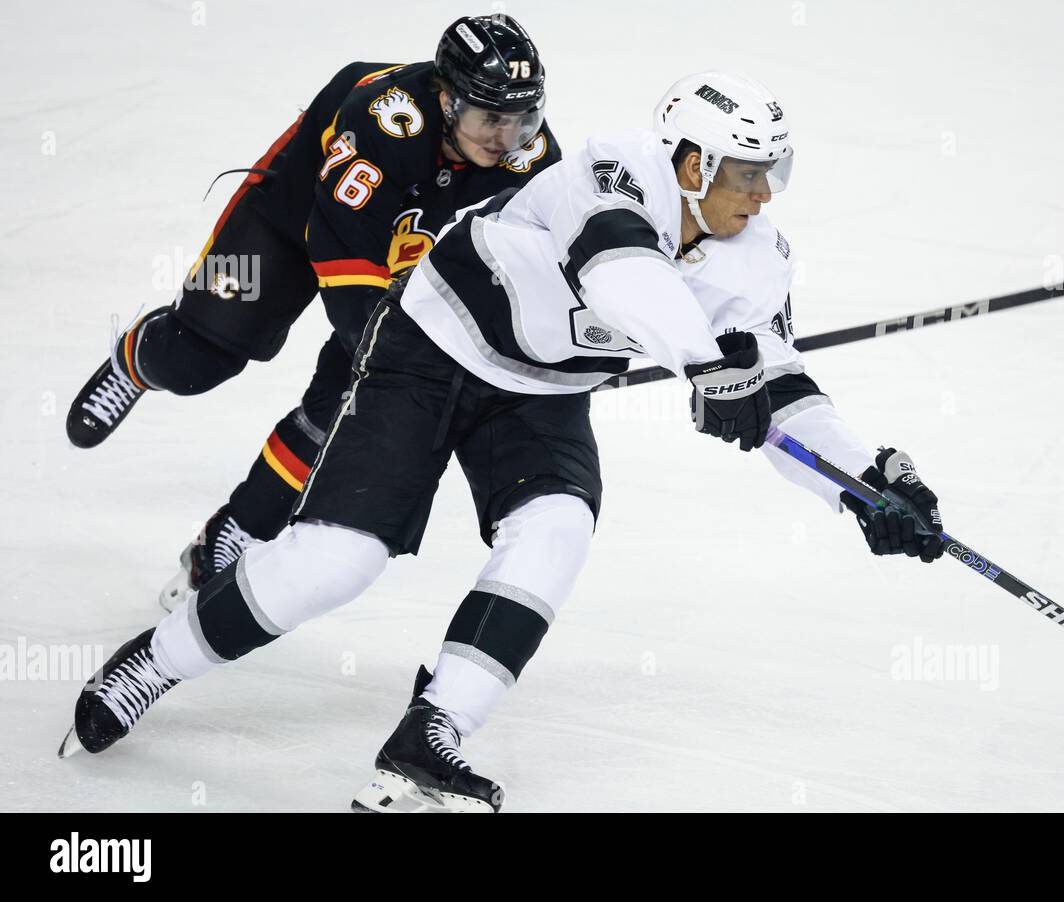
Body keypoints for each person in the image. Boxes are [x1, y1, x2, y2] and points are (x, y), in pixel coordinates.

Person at [60, 73, 944, 813]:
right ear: (690, 161)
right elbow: (621, 270)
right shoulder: (611, 166)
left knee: (558, 529)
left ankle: (431, 729)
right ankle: (154, 662)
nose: (764, 196)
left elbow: (782, 387)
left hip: (541, 396)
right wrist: (712, 364)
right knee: (333, 564)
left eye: (773, 173)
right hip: (427, 351)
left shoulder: (759, 256)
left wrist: (865, 486)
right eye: (748, 174)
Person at [63, 16, 561, 610]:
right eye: (491, 119)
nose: (508, 137)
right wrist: (389, 346)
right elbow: (340, 244)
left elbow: (540, 256)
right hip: (291, 222)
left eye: (522, 118)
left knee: (351, 401)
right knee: (201, 360)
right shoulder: (387, 119)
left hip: (403, 250)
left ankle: (233, 531)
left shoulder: (530, 151)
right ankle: (141, 358)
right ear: (447, 99)